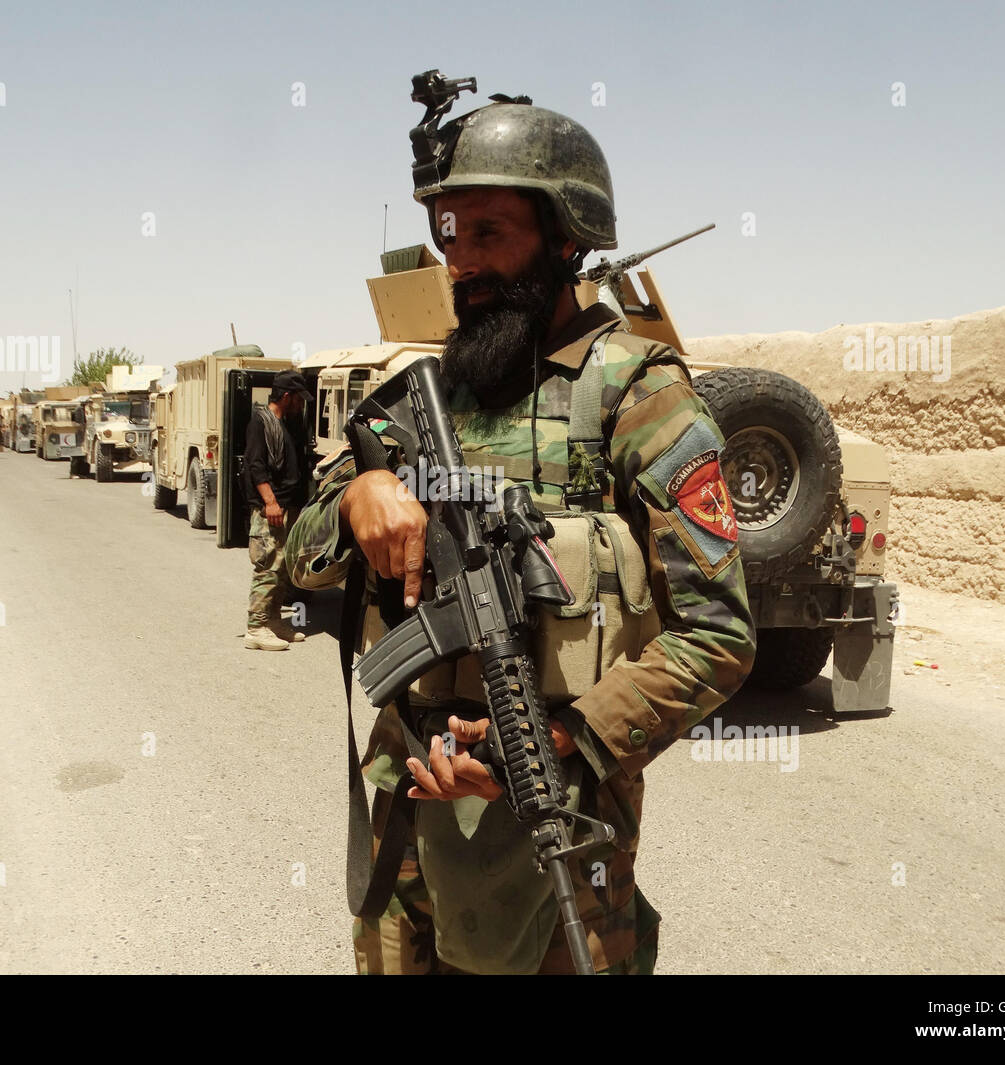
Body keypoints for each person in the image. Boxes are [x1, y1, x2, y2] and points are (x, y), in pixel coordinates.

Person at [284, 79, 756, 975]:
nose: (461, 261)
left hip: (559, 824)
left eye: (489, 233)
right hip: (409, 807)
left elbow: (719, 636)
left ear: (565, 238)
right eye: (450, 234)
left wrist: (549, 741)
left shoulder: (637, 396)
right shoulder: (416, 402)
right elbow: (294, 566)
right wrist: (356, 500)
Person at [243, 370, 311, 651]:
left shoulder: (285, 423)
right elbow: (255, 465)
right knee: (268, 567)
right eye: (298, 398)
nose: (301, 404)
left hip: (285, 507)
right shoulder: (261, 422)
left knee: (282, 568)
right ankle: (256, 628)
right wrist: (270, 501)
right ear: (286, 396)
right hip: (270, 509)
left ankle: (272, 621)